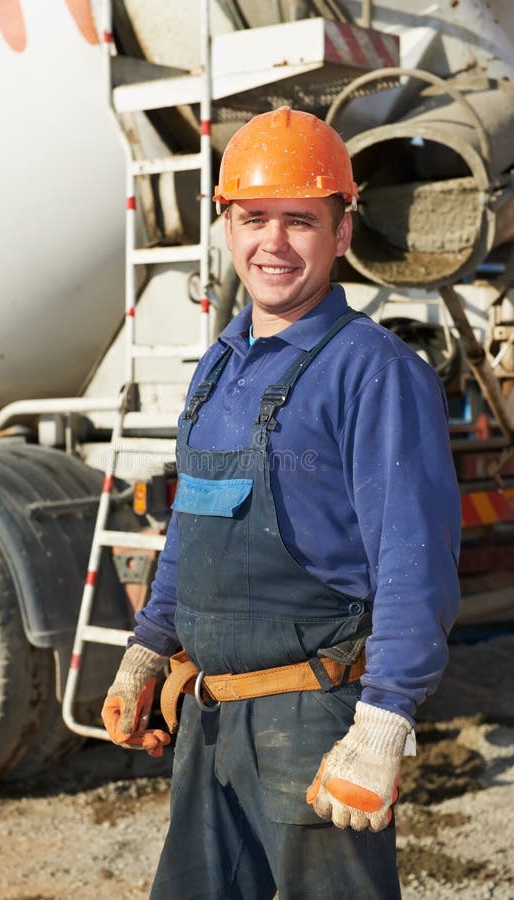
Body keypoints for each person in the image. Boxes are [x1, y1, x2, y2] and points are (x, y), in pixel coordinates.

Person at [101, 106, 461, 899]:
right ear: (226, 227)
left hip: (311, 725)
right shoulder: (218, 366)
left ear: (341, 233)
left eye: (300, 221)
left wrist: (383, 723)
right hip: (207, 717)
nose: (273, 242)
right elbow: (192, 530)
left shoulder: (372, 371)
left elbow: (412, 558)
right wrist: (147, 650)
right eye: (254, 217)